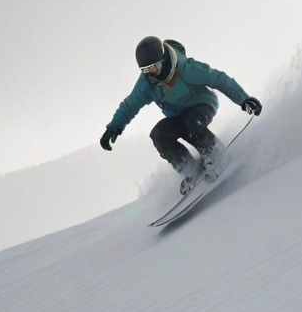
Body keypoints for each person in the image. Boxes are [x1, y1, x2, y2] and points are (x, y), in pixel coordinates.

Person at [100, 36, 262, 195]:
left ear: (163, 60)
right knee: (159, 134)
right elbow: (130, 105)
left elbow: (219, 79)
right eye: (146, 70)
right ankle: (192, 170)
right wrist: (114, 128)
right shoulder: (147, 84)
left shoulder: (186, 69)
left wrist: (244, 99)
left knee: (193, 123)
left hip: (201, 105)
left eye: (154, 67)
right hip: (177, 116)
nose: (152, 73)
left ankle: (217, 158)